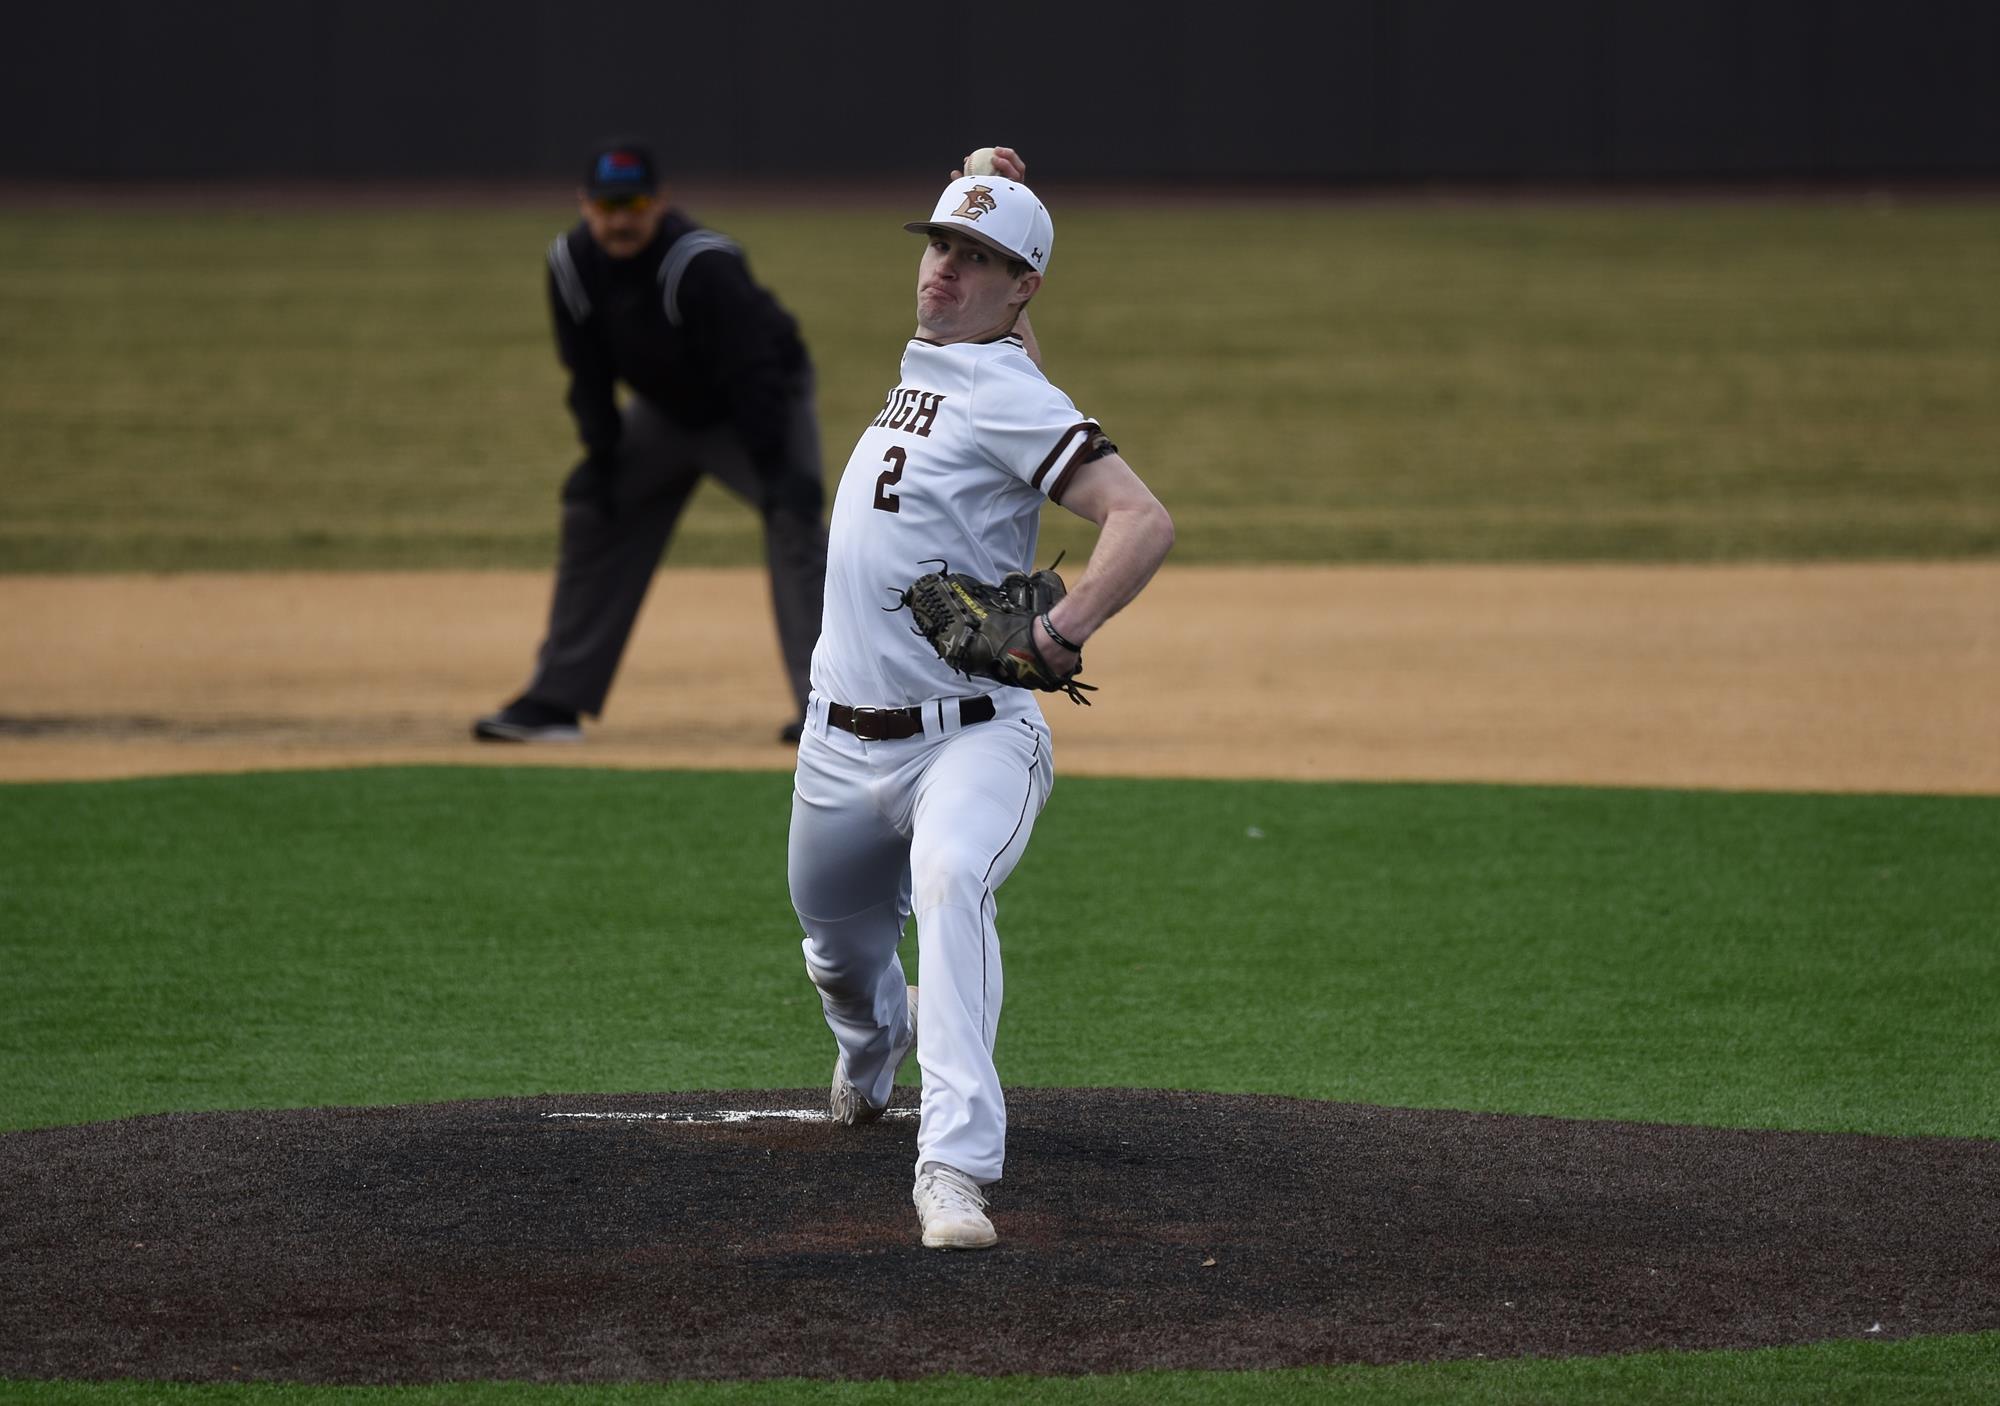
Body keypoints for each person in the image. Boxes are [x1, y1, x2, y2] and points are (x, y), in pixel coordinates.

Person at [786, 148, 1175, 1250]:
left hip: (971, 741)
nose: (943, 271)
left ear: (1022, 288)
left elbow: (1141, 519)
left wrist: (1061, 629)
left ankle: (953, 1168)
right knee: (838, 961)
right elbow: (1011, 360)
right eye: (940, 247)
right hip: (834, 748)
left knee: (952, 879)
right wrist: (974, 175)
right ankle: (872, 1049)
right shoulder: (950, 363)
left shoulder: (1003, 390)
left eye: (979, 258)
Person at [474, 139, 827, 745]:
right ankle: (557, 699)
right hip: (666, 413)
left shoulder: (701, 263)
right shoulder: (569, 264)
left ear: (661, 202)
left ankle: (831, 707)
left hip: (757, 406)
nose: (621, 219)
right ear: (584, 205)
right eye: (608, 205)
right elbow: (586, 373)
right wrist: (602, 452)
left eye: (635, 203)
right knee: (592, 507)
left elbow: (754, 370)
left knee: (795, 522)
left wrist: (777, 470)